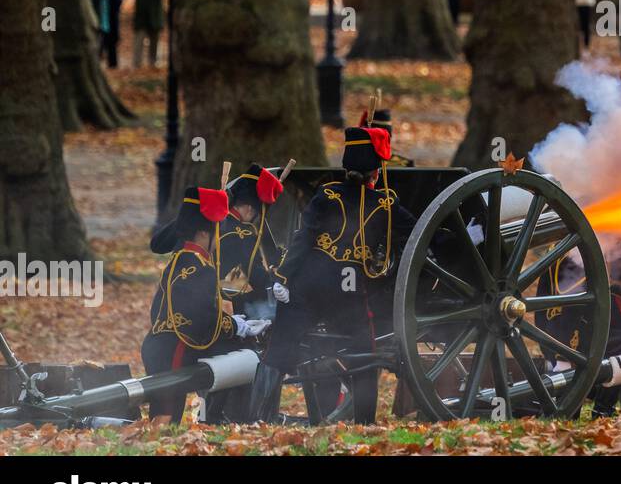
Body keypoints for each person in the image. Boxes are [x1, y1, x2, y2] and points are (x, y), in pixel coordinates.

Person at [249, 126, 416, 424]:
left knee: (278, 351)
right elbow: (417, 235)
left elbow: (303, 238)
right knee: (365, 355)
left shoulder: (327, 194)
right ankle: (365, 423)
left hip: (307, 289)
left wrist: (283, 278)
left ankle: (257, 420)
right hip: (349, 298)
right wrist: (464, 237)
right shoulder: (386, 204)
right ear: (376, 174)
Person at [142, 185, 268, 423]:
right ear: (203, 233)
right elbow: (201, 317)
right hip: (173, 350)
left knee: (166, 420)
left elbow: (211, 302)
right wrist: (236, 327)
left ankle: (214, 418)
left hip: (168, 345)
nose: (219, 238)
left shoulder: (186, 257)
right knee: (164, 423)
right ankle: (217, 418)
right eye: (216, 231)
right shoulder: (198, 267)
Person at [220, 164, 288, 322]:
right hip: (223, 304)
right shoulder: (243, 234)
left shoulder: (218, 221)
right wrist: (278, 280)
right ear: (250, 209)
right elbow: (255, 274)